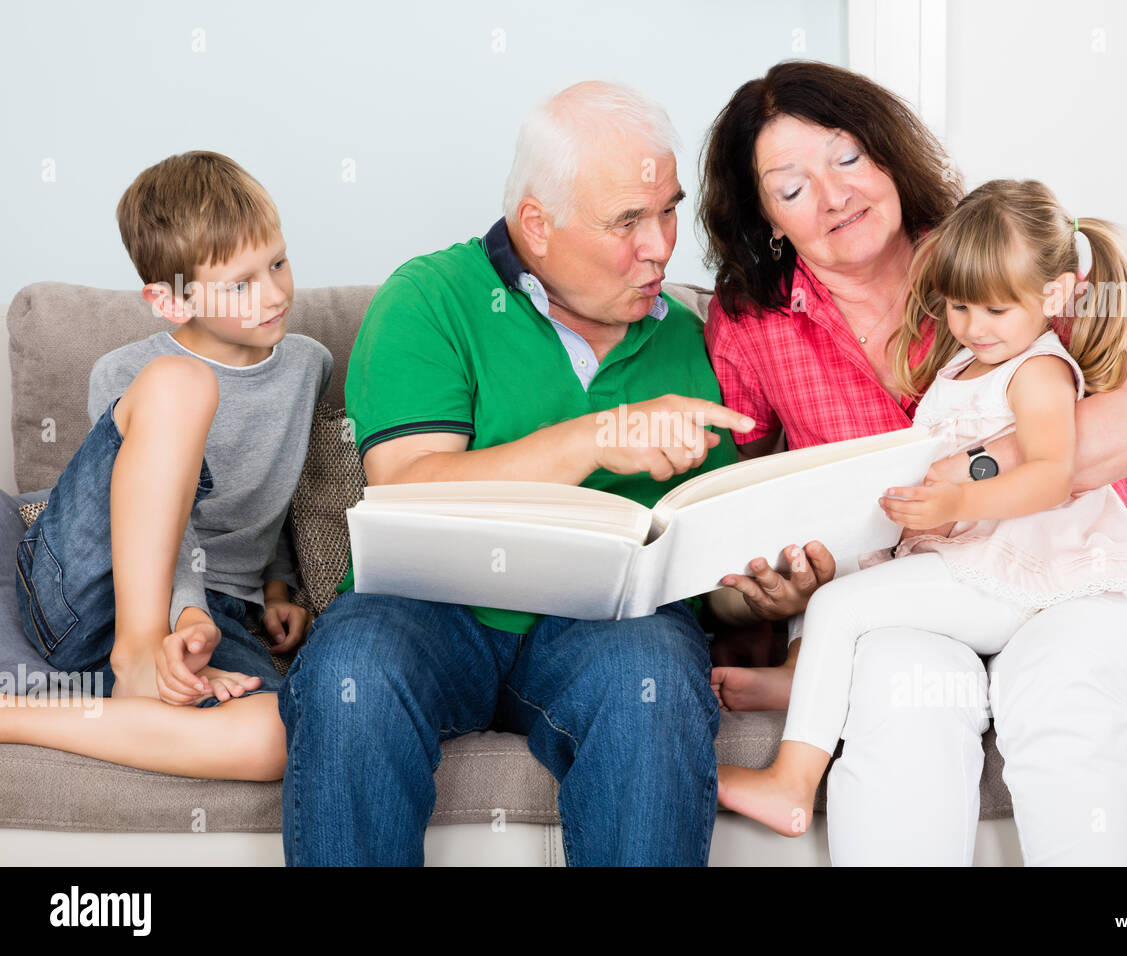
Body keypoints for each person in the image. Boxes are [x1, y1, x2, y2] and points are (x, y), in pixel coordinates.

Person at [700, 61, 1127, 864]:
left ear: (889, 155)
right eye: (791, 188)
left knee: (1061, 691)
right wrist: (769, 584)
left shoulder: (995, 245)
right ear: (767, 218)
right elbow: (746, 497)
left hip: (1087, 566)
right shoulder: (748, 321)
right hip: (926, 587)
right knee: (900, 698)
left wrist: (976, 476)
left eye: (848, 156)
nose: (833, 196)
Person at [278, 81, 754, 866]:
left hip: (607, 626)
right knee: (352, 668)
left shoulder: (688, 336)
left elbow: (713, 557)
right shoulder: (430, 299)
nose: (661, 246)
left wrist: (759, 586)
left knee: (659, 677)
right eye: (627, 221)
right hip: (431, 614)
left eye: (667, 209)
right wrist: (600, 437)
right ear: (537, 224)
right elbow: (406, 484)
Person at [3, 151, 330, 781]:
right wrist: (177, 613)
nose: (275, 293)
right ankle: (135, 661)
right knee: (183, 384)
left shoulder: (307, 367)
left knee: (283, 735)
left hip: (218, 615)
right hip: (89, 590)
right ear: (171, 301)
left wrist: (276, 587)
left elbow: (291, 493)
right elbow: (151, 516)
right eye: (241, 283)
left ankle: (17, 715)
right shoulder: (129, 373)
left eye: (280, 263)